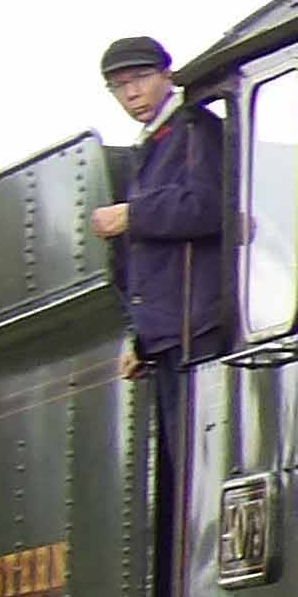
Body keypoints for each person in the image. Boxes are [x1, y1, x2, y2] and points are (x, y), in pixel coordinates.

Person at [90, 35, 233, 373]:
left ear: (167, 75)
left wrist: (132, 214)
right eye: (118, 86)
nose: (131, 94)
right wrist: (142, 337)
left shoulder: (196, 128)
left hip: (199, 329)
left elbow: (209, 205)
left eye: (140, 78)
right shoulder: (153, 142)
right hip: (169, 336)